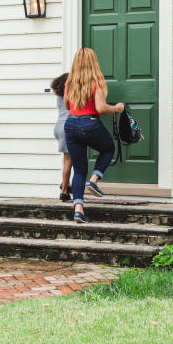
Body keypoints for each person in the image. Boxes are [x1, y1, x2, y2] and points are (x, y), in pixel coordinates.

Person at [63, 48, 125, 224]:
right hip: (89, 123)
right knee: (108, 148)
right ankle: (94, 179)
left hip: (71, 124)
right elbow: (100, 108)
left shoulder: (70, 83)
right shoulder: (96, 82)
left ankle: (78, 209)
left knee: (79, 169)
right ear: (93, 62)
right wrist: (117, 108)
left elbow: (68, 105)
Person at [51, 72, 71, 202]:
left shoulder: (59, 94)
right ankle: (64, 191)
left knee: (66, 159)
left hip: (58, 126)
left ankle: (66, 183)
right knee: (69, 160)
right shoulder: (71, 94)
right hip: (67, 127)